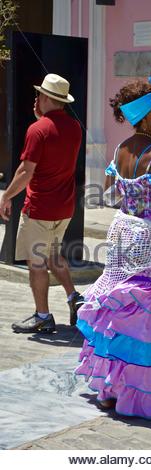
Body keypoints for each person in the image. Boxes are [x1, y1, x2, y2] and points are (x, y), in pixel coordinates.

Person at [75, 73, 151, 420]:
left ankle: (110, 391)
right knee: (142, 319)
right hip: (148, 242)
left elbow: (111, 192)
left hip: (121, 235)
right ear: (145, 115)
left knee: (117, 314)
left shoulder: (119, 149)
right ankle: (143, 399)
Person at [0, 73, 84, 333]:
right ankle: (74, 298)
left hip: (40, 208)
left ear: (47, 97)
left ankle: (43, 315)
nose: (35, 98)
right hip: (64, 207)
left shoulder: (37, 130)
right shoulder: (74, 127)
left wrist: (6, 195)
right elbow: (55, 146)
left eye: (39, 94)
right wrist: (43, 121)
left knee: (36, 263)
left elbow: (26, 172)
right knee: (51, 254)